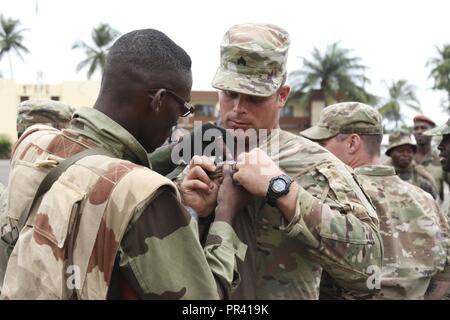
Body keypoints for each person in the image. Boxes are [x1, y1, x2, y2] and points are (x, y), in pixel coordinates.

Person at [0, 29, 246, 299]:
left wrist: (178, 158)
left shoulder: (32, 144)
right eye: (182, 108)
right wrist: (226, 214)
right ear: (159, 100)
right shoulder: (143, 194)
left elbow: (92, 170)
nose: (179, 118)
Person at [181, 23, 383, 299]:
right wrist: (199, 215)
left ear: (282, 96)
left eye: (255, 97)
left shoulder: (315, 163)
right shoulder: (198, 156)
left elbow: (370, 266)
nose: (238, 108)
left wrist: (282, 190)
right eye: (230, 94)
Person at [300, 102, 450, 299]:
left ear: (352, 143)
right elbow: (444, 275)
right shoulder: (425, 199)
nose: (317, 151)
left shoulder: (329, 197)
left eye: (323, 144)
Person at [385, 131, 438, 199]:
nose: (405, 154)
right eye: (400, 151)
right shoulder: (382, 174)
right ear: (390, 153)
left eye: (409, 151)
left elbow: (433, 201)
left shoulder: (420, 174)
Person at [413, 115, 450, 202]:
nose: (419, 131)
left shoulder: (443, 160)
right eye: (416, 128)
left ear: (432, 131)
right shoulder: (402, 158)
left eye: (423, 128)